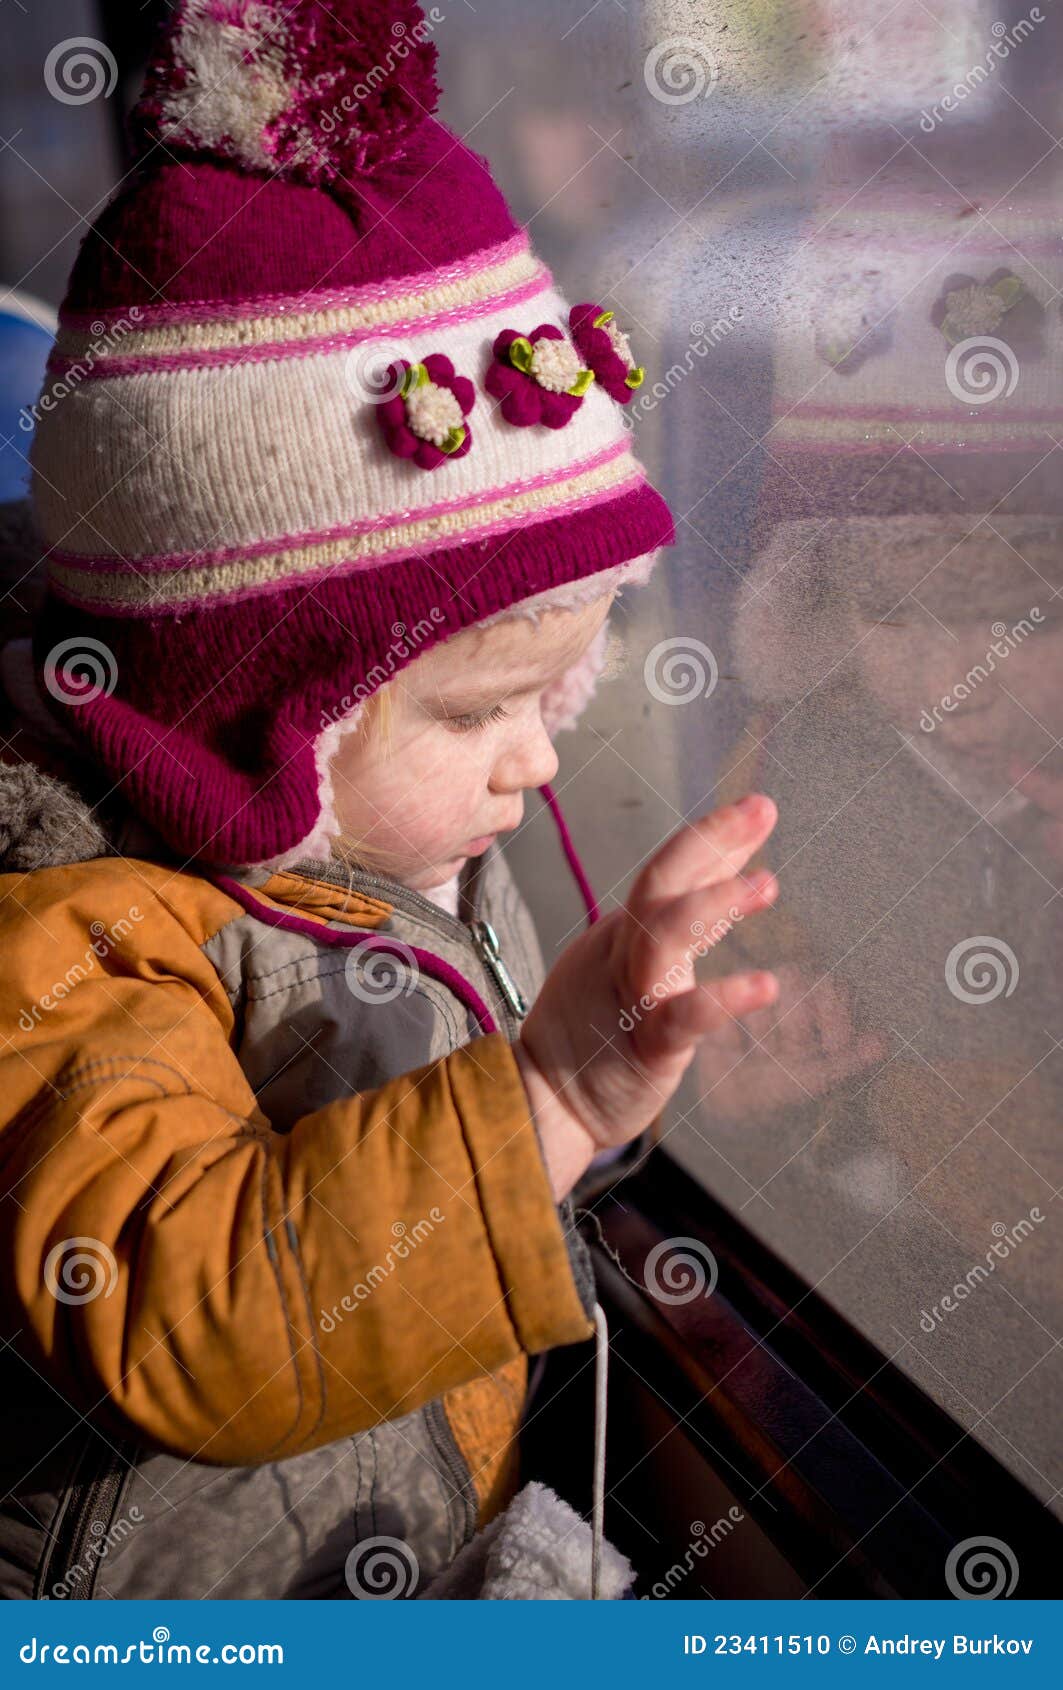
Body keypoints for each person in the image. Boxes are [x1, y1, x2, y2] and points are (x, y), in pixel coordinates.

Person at [0, 1, 779, 1599]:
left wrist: (620, 1080)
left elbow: (435, 1114)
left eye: (555, 690)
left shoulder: (387, 833)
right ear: (253, 721)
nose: (541, 754)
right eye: (487, 708)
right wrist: (549, 1097)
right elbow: (191, 1320)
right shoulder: (73, 945)